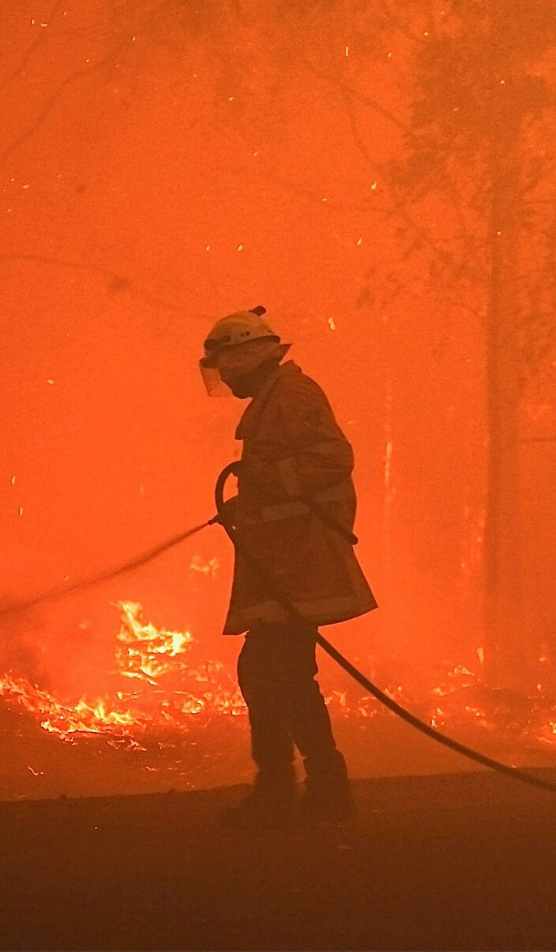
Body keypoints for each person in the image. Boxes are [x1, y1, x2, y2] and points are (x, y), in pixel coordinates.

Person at [200, 306, 377, 826]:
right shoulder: (274, 400)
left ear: (246, 356)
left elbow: (331, 459)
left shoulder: (294, 396)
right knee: (278, 674)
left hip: (300, 561)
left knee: (273, 672)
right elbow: (282, 476)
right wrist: (249, 502)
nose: (224, 376)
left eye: (226, 364)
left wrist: (266, 484)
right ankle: (312, 788)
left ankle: (295, 791)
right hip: (284, 561)